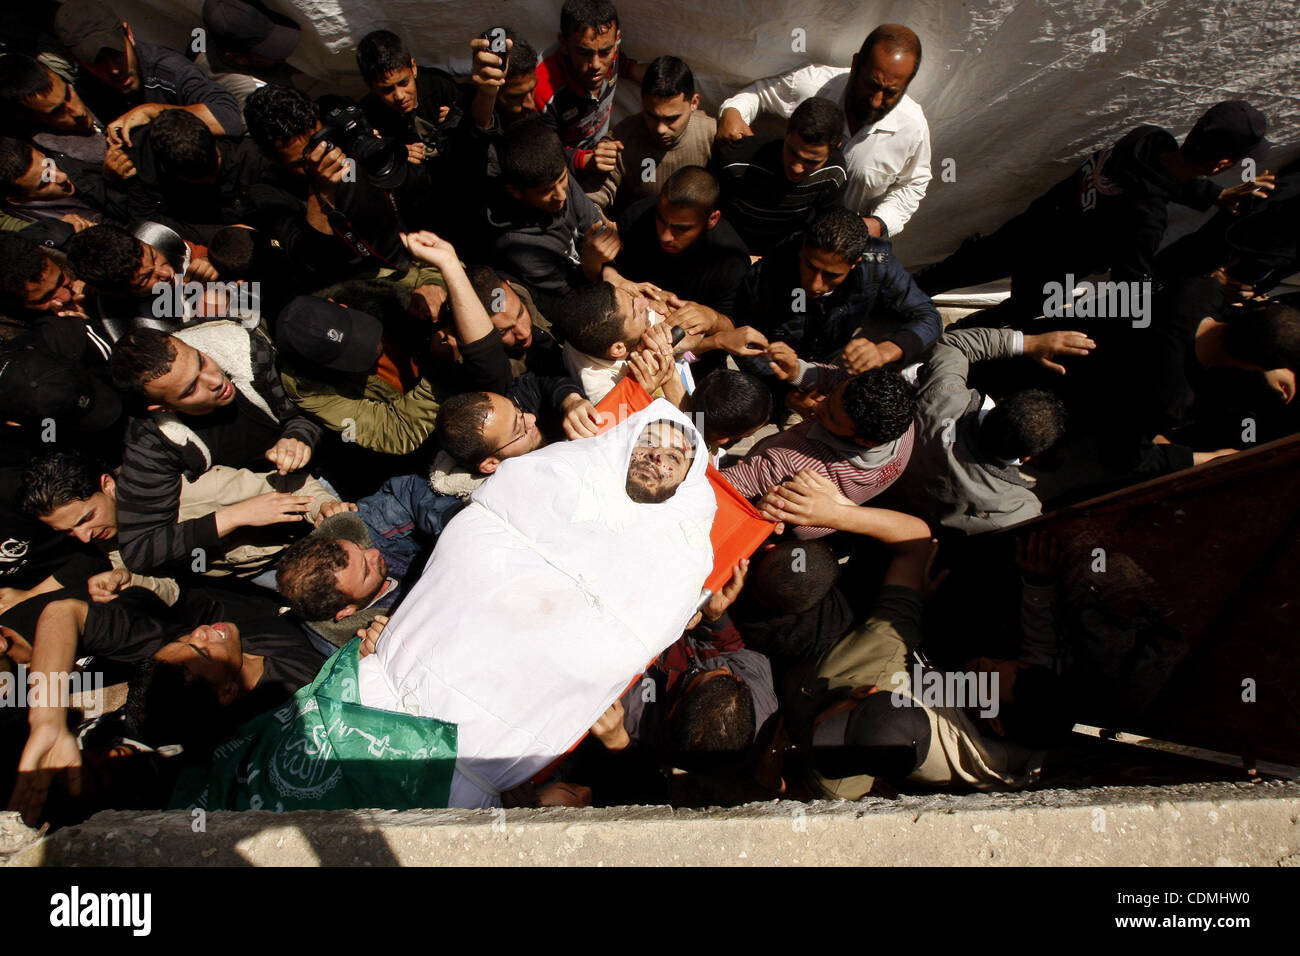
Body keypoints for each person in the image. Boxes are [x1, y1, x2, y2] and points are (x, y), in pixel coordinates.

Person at [357, 402, 716, 808]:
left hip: (477, 754)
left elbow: (627, 646)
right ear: (622, 442)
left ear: (687, 479)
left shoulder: (680, 557)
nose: (657, 455)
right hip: (385, 695)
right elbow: (471, 550)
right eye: (647, 441)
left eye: (674, 456)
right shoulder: (550, 474)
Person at [915, 100, 1274, 322]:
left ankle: (900, 295)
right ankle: (958, 338)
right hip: (1056, 264)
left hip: (1035, 224)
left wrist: (1214, 195)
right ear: (1222, 163)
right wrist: (1202, 284)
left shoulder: (1147, 139)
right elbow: (1131, 288)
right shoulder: (1147, 220)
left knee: (966, 265)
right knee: (1020, 312)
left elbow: (1159, 178)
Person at [107, 320, 326, 575]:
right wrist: (235, 516)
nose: (214, 380)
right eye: (190, 389)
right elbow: (140, 550)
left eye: (201, 361)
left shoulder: (247, 351)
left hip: (332, 470)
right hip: (272, 538)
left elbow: (318, 405)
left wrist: (299, 436)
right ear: (164, 408)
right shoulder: (153, 441)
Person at [275, 233, 510, 456]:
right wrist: (440, 373)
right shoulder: (309, 390)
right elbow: (397, 433)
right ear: (321, 367)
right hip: (444, 432)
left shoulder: (364, 288)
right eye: (355, 355)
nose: (375, 348)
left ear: (340, 306)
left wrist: (434, 286)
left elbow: (438, 266)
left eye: (364, 333)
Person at [20, 446, 342, 589]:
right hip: (267, 572)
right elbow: (169, 588)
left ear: (107, 485)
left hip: (309, 529)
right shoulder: (109, 537)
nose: (84, 536)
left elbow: (294, 485)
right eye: (69, 533)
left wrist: (324, 510)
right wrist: (128, 580)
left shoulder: (188, 487)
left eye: (85, 518)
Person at [716, 24, 930, 237]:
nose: (876, 101)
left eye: (890, 92)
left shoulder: (912, 127)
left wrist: (879, 223)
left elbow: (913, 184)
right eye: (871, 84)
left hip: (842, 245)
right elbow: (758, 94)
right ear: (856, 64)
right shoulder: (811, 85)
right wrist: (732, 113)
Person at [887, 327, 1094, 534]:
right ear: (1029, 458)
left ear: (999, 402)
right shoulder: (1015, 509)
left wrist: (1028, 343)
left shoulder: (946, 396)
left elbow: (953, 343)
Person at [723, 349, 916, 539]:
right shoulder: (899, 420)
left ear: (865, 440)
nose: (817, 406)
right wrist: (799, 371)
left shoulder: (792, 467)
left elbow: (715, 488)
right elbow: (841, 379)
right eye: (830, 397)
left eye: (831, 416)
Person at [733, 208, 941, 378]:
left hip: (829, 361)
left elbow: (928, 317)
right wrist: (785, 385)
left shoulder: (876, 262)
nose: (815, 285)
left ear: (855, 263)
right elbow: (741, 332)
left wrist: (886, 350)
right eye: (811, 267)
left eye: (831, 275)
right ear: (804, 246)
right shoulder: (772, 267)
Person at [242, 85, 410, 289]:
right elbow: (312, 263)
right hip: (360, 285)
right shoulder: (266, 196)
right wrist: (322, 192)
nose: (322, 159)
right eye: (301, 162)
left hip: (415, 250)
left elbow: (417, 190)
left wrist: (380, 149)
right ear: (267, 156)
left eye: (322, 143)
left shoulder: (344, 135)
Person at [483, 118, 628, 307]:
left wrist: (610, 272)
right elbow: (577, 299)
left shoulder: (556, 176)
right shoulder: (518, 246)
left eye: (562, 180)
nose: (560, 195)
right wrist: (593, 265)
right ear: (516, 191)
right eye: (545, 191)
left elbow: (597, 226)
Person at [52, 0, 245, 141]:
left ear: (128, 34)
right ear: (74, 59)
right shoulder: (85, 90)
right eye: (97, 62)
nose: (114, 70)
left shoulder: (167, 69)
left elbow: (228, 118)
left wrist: (154, 112)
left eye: (116, 54)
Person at [713, 96, 848, 256]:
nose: (797, 168)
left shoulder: (834, 174)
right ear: (787, 126)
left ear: (836, 148)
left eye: (811, 162)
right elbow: (713, 218)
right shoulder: (736, 162)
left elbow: (825, 227)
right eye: (792, 152)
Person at [586, 56, 715, 218]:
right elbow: (592, 201)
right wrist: (602, 227)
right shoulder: (621, 140)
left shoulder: (710, 135)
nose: (661, 129)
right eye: (652, 115)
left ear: (694, 103)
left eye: (671, 118)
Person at [614, 165, 750, 319]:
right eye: (660, 219)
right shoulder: (635, 220)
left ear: (712, 219)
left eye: (680, 229)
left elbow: (730, 323)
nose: (665, 236)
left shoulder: (730, 259)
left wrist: (711, 318)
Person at [533, 0, 642, 180]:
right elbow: (541, 154)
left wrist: (639, 72)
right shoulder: (543, 89)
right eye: (584, 53)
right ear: (563, 43)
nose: (596, 65)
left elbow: (620, 62)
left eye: (605, 52)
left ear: (617, 40)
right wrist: (585, 160)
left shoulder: (611, 53)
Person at [356, 30, 461, 165]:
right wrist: (391, 155)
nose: (399, 96)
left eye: (404, 83)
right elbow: (354, 169)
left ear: (414, 68)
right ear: (370, 86)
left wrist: (458, 120)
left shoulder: (440, 85)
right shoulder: (367, 115)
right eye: (387, 89)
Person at [0, 52, 119, 171]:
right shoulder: (56, 169)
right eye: (57, 111)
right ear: (31, 119)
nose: (78, 112)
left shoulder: (99, 86)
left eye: (68, 94)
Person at [194, 0, 304, 110]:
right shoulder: (252, 93)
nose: (283, 58)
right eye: (271, 51)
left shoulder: (207, 38)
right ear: (238, 58)